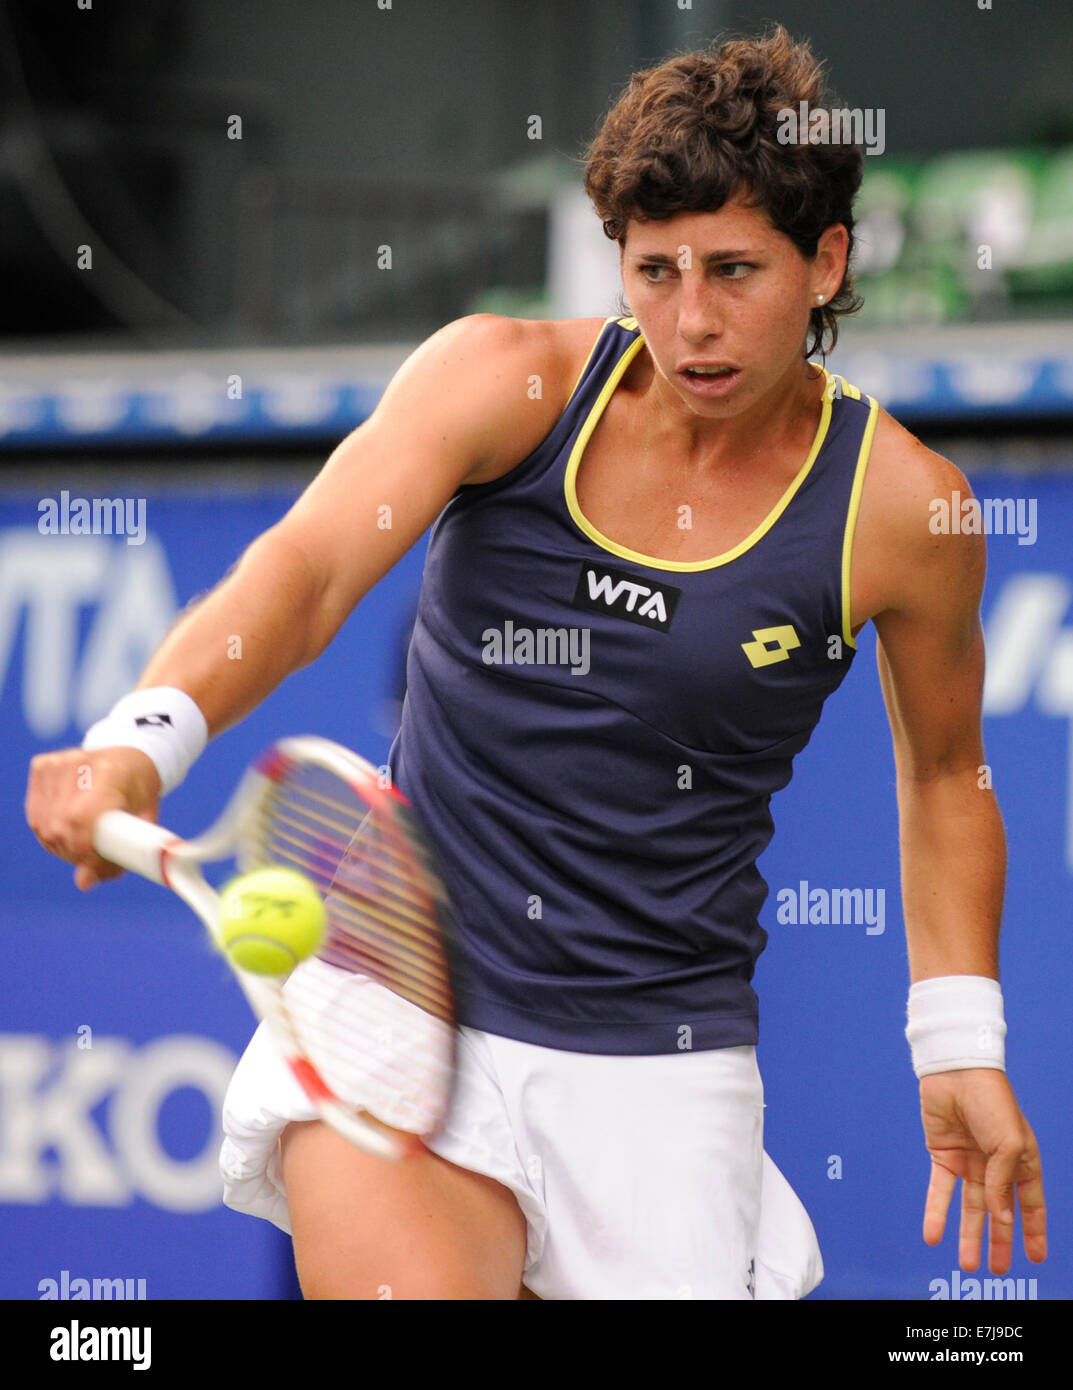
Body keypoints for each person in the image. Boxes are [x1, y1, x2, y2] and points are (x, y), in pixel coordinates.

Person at [26, 26, 1046, 1300]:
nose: (689, 320)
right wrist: (147, 732)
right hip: (405, 1002)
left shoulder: (902, 509)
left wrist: (956, 1038)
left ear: (825, 261)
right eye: (653, 269)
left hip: (660, 1068)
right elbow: (305, 572)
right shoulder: (499, 381)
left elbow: (946, 772)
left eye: (733, 270)